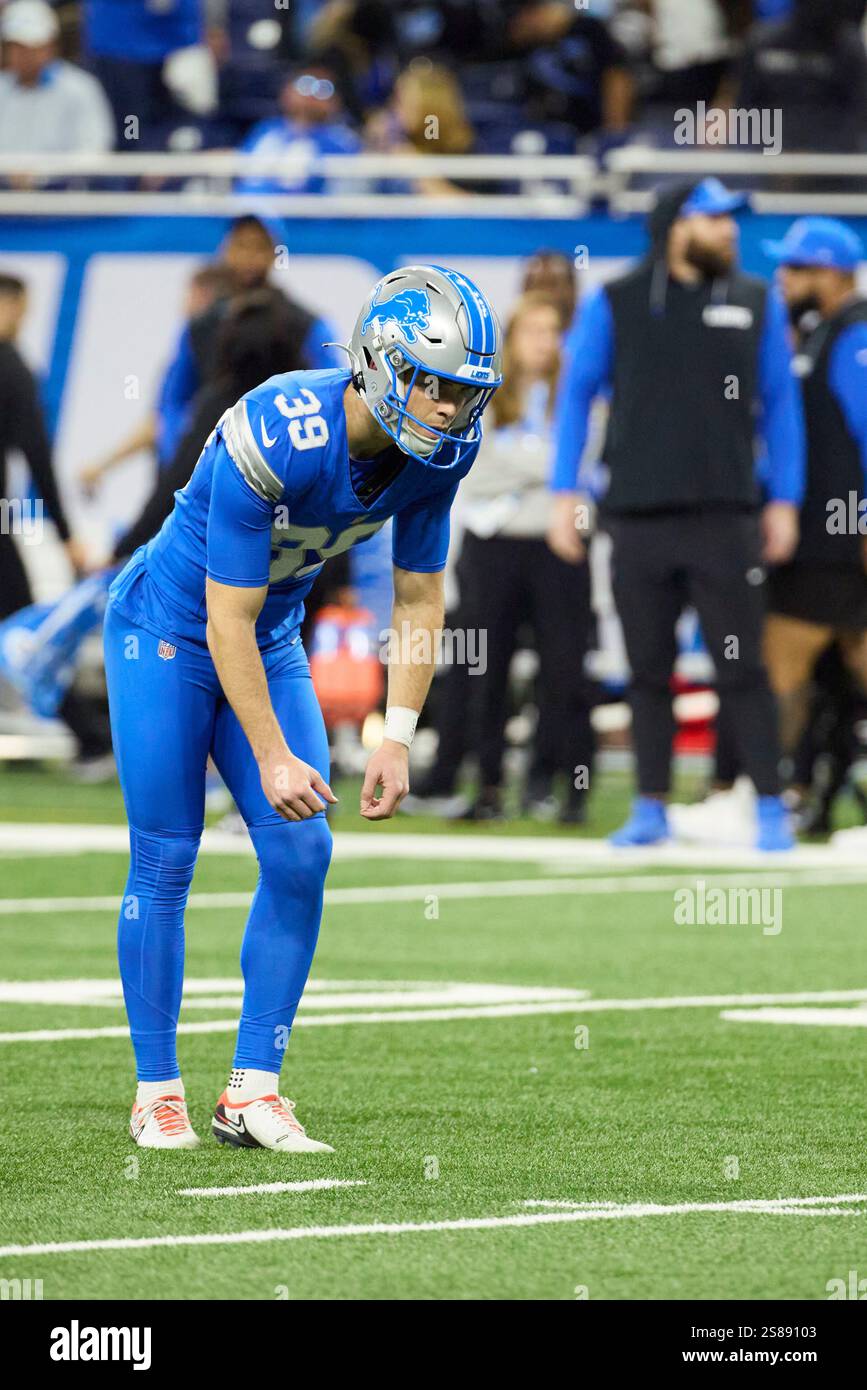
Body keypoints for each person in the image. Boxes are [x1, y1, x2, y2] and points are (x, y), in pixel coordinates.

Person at [104, 265, 502, 1152]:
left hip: (271, 634)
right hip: (167, 632)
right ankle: (156, 1086)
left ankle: (251, 1090)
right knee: (167, 855)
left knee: (302, 852)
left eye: (464, 391)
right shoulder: (278, 428)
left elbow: (417, 597)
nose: (446, 407)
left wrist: (395, 734)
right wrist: (273, 753)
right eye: (432, 383)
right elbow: (224, 617)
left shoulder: (445, 450)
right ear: (377, 362)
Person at [549, 177, 806, 852]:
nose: (729, 232)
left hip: (725, 513)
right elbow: (575, 394)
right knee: (645, 669)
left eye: (730, 220)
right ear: (673, 227)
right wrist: (562, 492)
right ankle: (649, 806)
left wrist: (785, 499)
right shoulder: (617, 300)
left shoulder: (755, 302)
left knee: (741, 666)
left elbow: (780, 403)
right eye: (715, 220)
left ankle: (770, 807)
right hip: (635, 514)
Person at [453, 292, 596, 821]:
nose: (542, 342)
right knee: (484, 671)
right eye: (531, 330)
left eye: (552, 330)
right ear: (511, 339)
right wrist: (553, 468)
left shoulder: (581, 397)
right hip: (492, 549)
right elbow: (477, 471)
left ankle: (557, 786)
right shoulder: (481, 395)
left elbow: (589, 466)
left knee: (565, 672)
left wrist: (541, 468)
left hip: (558, 547)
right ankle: (487, 787)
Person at [760, 219, 867, 775]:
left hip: (838, 540)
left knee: (780, 663)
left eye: (796, 267)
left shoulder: (857, 335)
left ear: (829, 272)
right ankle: (790, 791)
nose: (782, 277)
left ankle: (765, 795)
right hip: (824, 535)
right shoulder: (820, 330)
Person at [735, 0, 867, 153]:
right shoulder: (762, 42)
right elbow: (745, 107)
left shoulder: (850, 49)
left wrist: (816, 155)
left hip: (832, 157)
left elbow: (857, 113)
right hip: (768, 154)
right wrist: (774, 152)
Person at [0, 1, 114, 158]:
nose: (25, 55)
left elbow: (94, 148)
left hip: (63, 181)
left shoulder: (80, 88)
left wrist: (41, 174)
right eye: (17, 47)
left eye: (33, 47)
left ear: (51, 46)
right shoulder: (2, 88)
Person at [235, 64, 362, 196]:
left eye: (324, 88)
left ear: (335, 101)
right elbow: (240, 165)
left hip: (300, 211)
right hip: (245, 206)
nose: (311, 96)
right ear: (286, 92)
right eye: (305, 84)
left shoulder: (341, 140)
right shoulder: (265, 128)